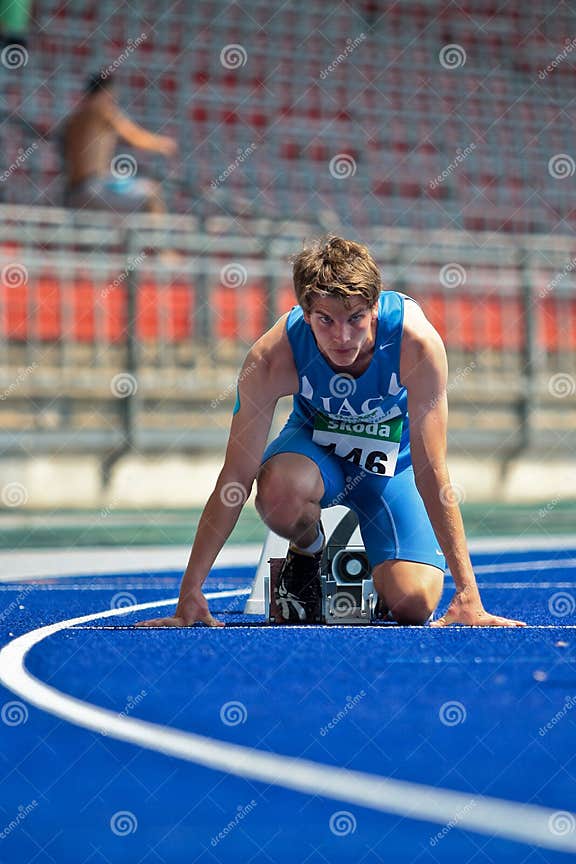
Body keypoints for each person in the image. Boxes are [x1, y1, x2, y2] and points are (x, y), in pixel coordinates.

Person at [138, 236, 526, 629]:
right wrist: (190, 593)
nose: (342, 337)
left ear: (375, 308)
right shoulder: (272, 358)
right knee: (278, 495)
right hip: (313, 452)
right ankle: (308, 551)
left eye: (355, 317)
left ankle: (379, 581)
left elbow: (432, 470)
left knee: (414, 605)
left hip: (395, 466)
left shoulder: (417, 345)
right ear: (305, 314)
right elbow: (236, 476)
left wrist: (467, 594)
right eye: (326, 320)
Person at [61, 71, 177, 214]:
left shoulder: (74, 119)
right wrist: (163, 144)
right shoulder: (100, 110)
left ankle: (130, 235)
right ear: (106, 92)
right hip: (94, 189)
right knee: (152, 194)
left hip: (73, 193)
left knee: (125, 205)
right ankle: (158, 236)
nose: (113, 99)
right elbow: (133, 136)